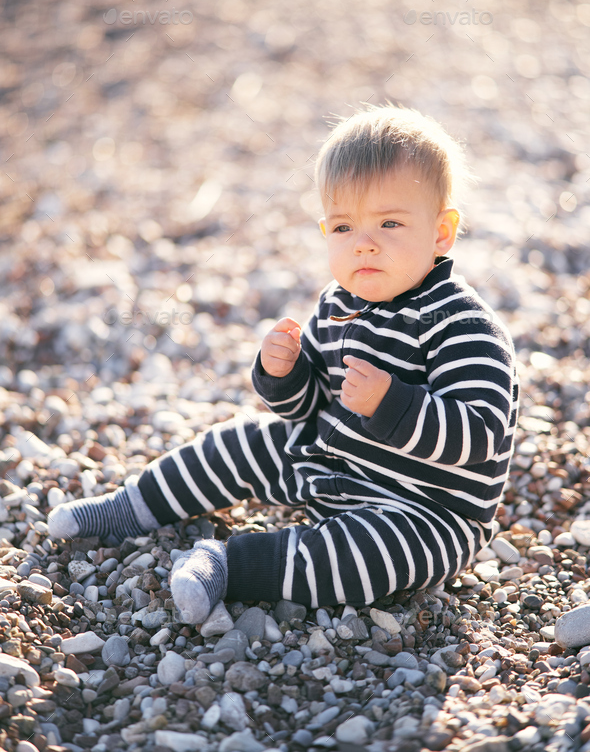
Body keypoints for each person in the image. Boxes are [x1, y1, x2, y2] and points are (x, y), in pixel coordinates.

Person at [48, 104, 519, 624]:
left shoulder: (461, 324)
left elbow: (481, 435)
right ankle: (131, 505)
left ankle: (228, 565)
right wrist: (285, 374)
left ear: (441, 233)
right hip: (331, 468)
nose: (364, 242)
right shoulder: (339, 303)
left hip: (422, 511)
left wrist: (393, 404)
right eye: (343, 227)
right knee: (244, 440)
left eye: (390, 222)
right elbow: (307, 409)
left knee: (367, 560)